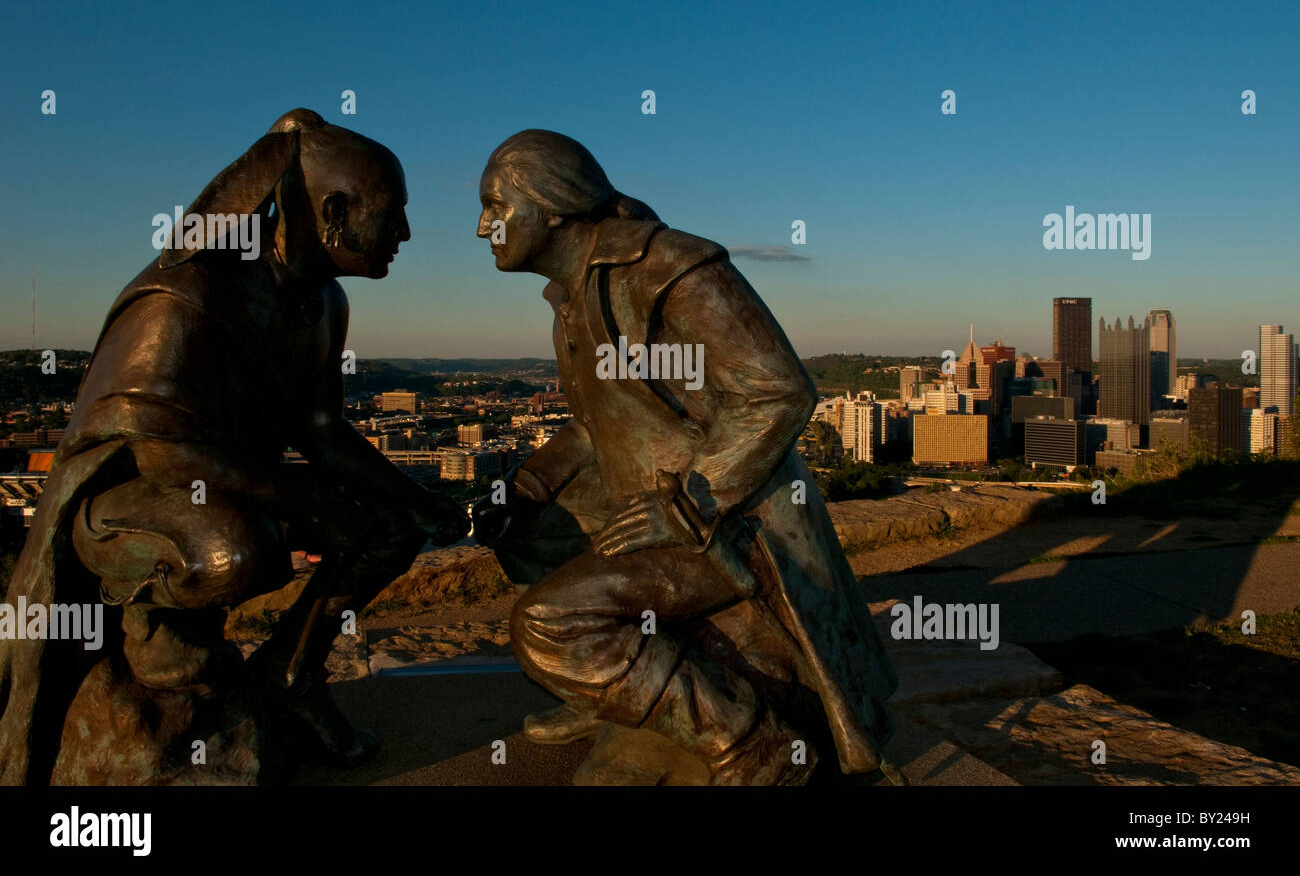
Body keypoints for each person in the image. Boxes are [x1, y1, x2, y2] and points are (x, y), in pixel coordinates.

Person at [0, 109, 468, 785]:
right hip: (124, 509)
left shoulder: (325, 303)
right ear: (334, 212)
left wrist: (416, 498)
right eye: (392, 214)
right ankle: (163, 673)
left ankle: (288, 679)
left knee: (391, 527)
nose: (404, 233)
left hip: (233, 485)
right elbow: (165, 453)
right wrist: (309, 505)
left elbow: (322, 431)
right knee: (234, 548)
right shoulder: (191, 294)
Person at [472, 129, 899, 785]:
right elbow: (593, 428)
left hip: (723, 519)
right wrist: (526, 487)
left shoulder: (667, 265)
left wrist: (694, 496)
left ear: (552, 206)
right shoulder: (571, 297)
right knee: (525, 533)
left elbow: (780, 389)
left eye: (495, 207)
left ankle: (748, 743)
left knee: (545, 624)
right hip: (643, 504)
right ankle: (613, 692)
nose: (482, 227)